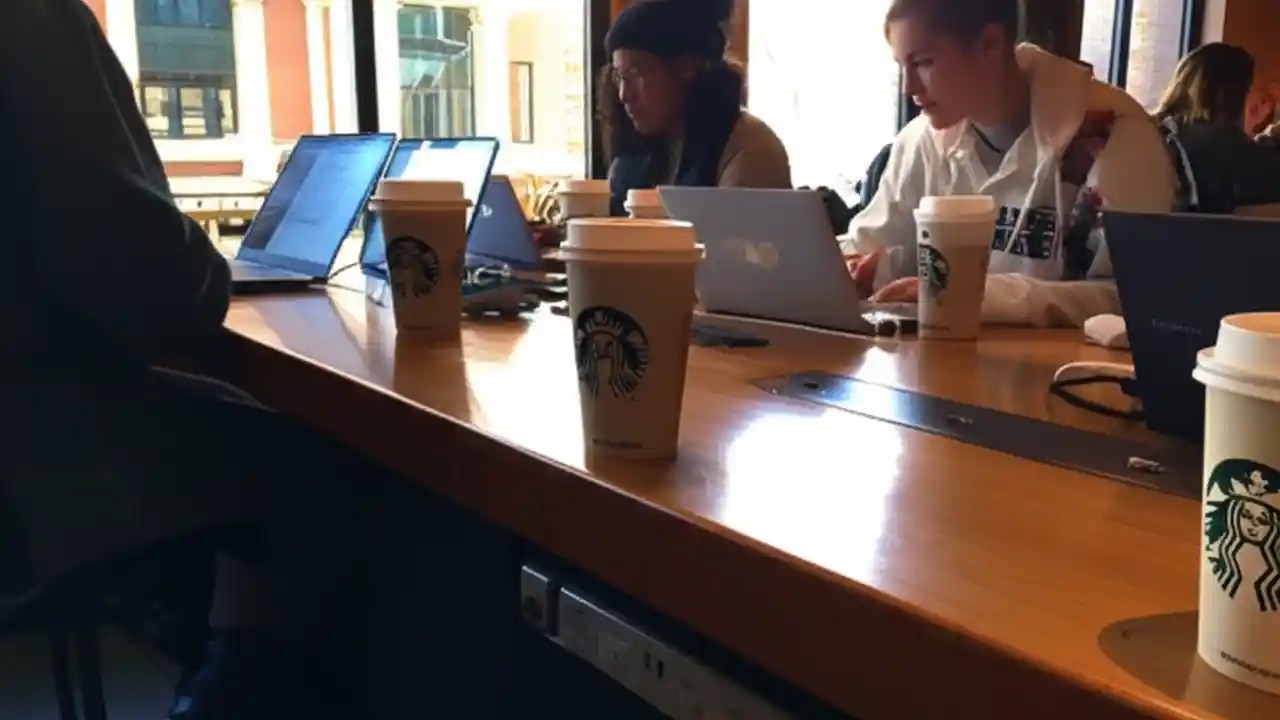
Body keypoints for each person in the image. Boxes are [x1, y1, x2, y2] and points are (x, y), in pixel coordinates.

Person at [1, 2, 365, 718]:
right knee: (315, 453)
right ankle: (232, 685)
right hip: (29, 457)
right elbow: (152, 282)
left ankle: (200, 646)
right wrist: (209, 271)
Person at [844, 0, 1176, 327]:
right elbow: (867, 247)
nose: (909, 88)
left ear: (990, 44)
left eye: (923, 63)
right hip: (935, 355)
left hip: (1058, 361)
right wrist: (850, 271)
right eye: (902, 66)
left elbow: (1131, 298)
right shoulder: (921, 141)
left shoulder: (1116, 135)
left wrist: (979, 296)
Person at [601, 0, 792, 216]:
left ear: (686, 69)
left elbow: (733, 236)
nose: (624, 95)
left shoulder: (747, 148)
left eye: (637, 73)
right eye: (619, 76)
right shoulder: (636, 153)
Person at [1154, 43, 1280, 213]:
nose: (1266, 110)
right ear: (1231, 94)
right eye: (1263, 98)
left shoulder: (1168, 131)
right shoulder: (1218, 146)